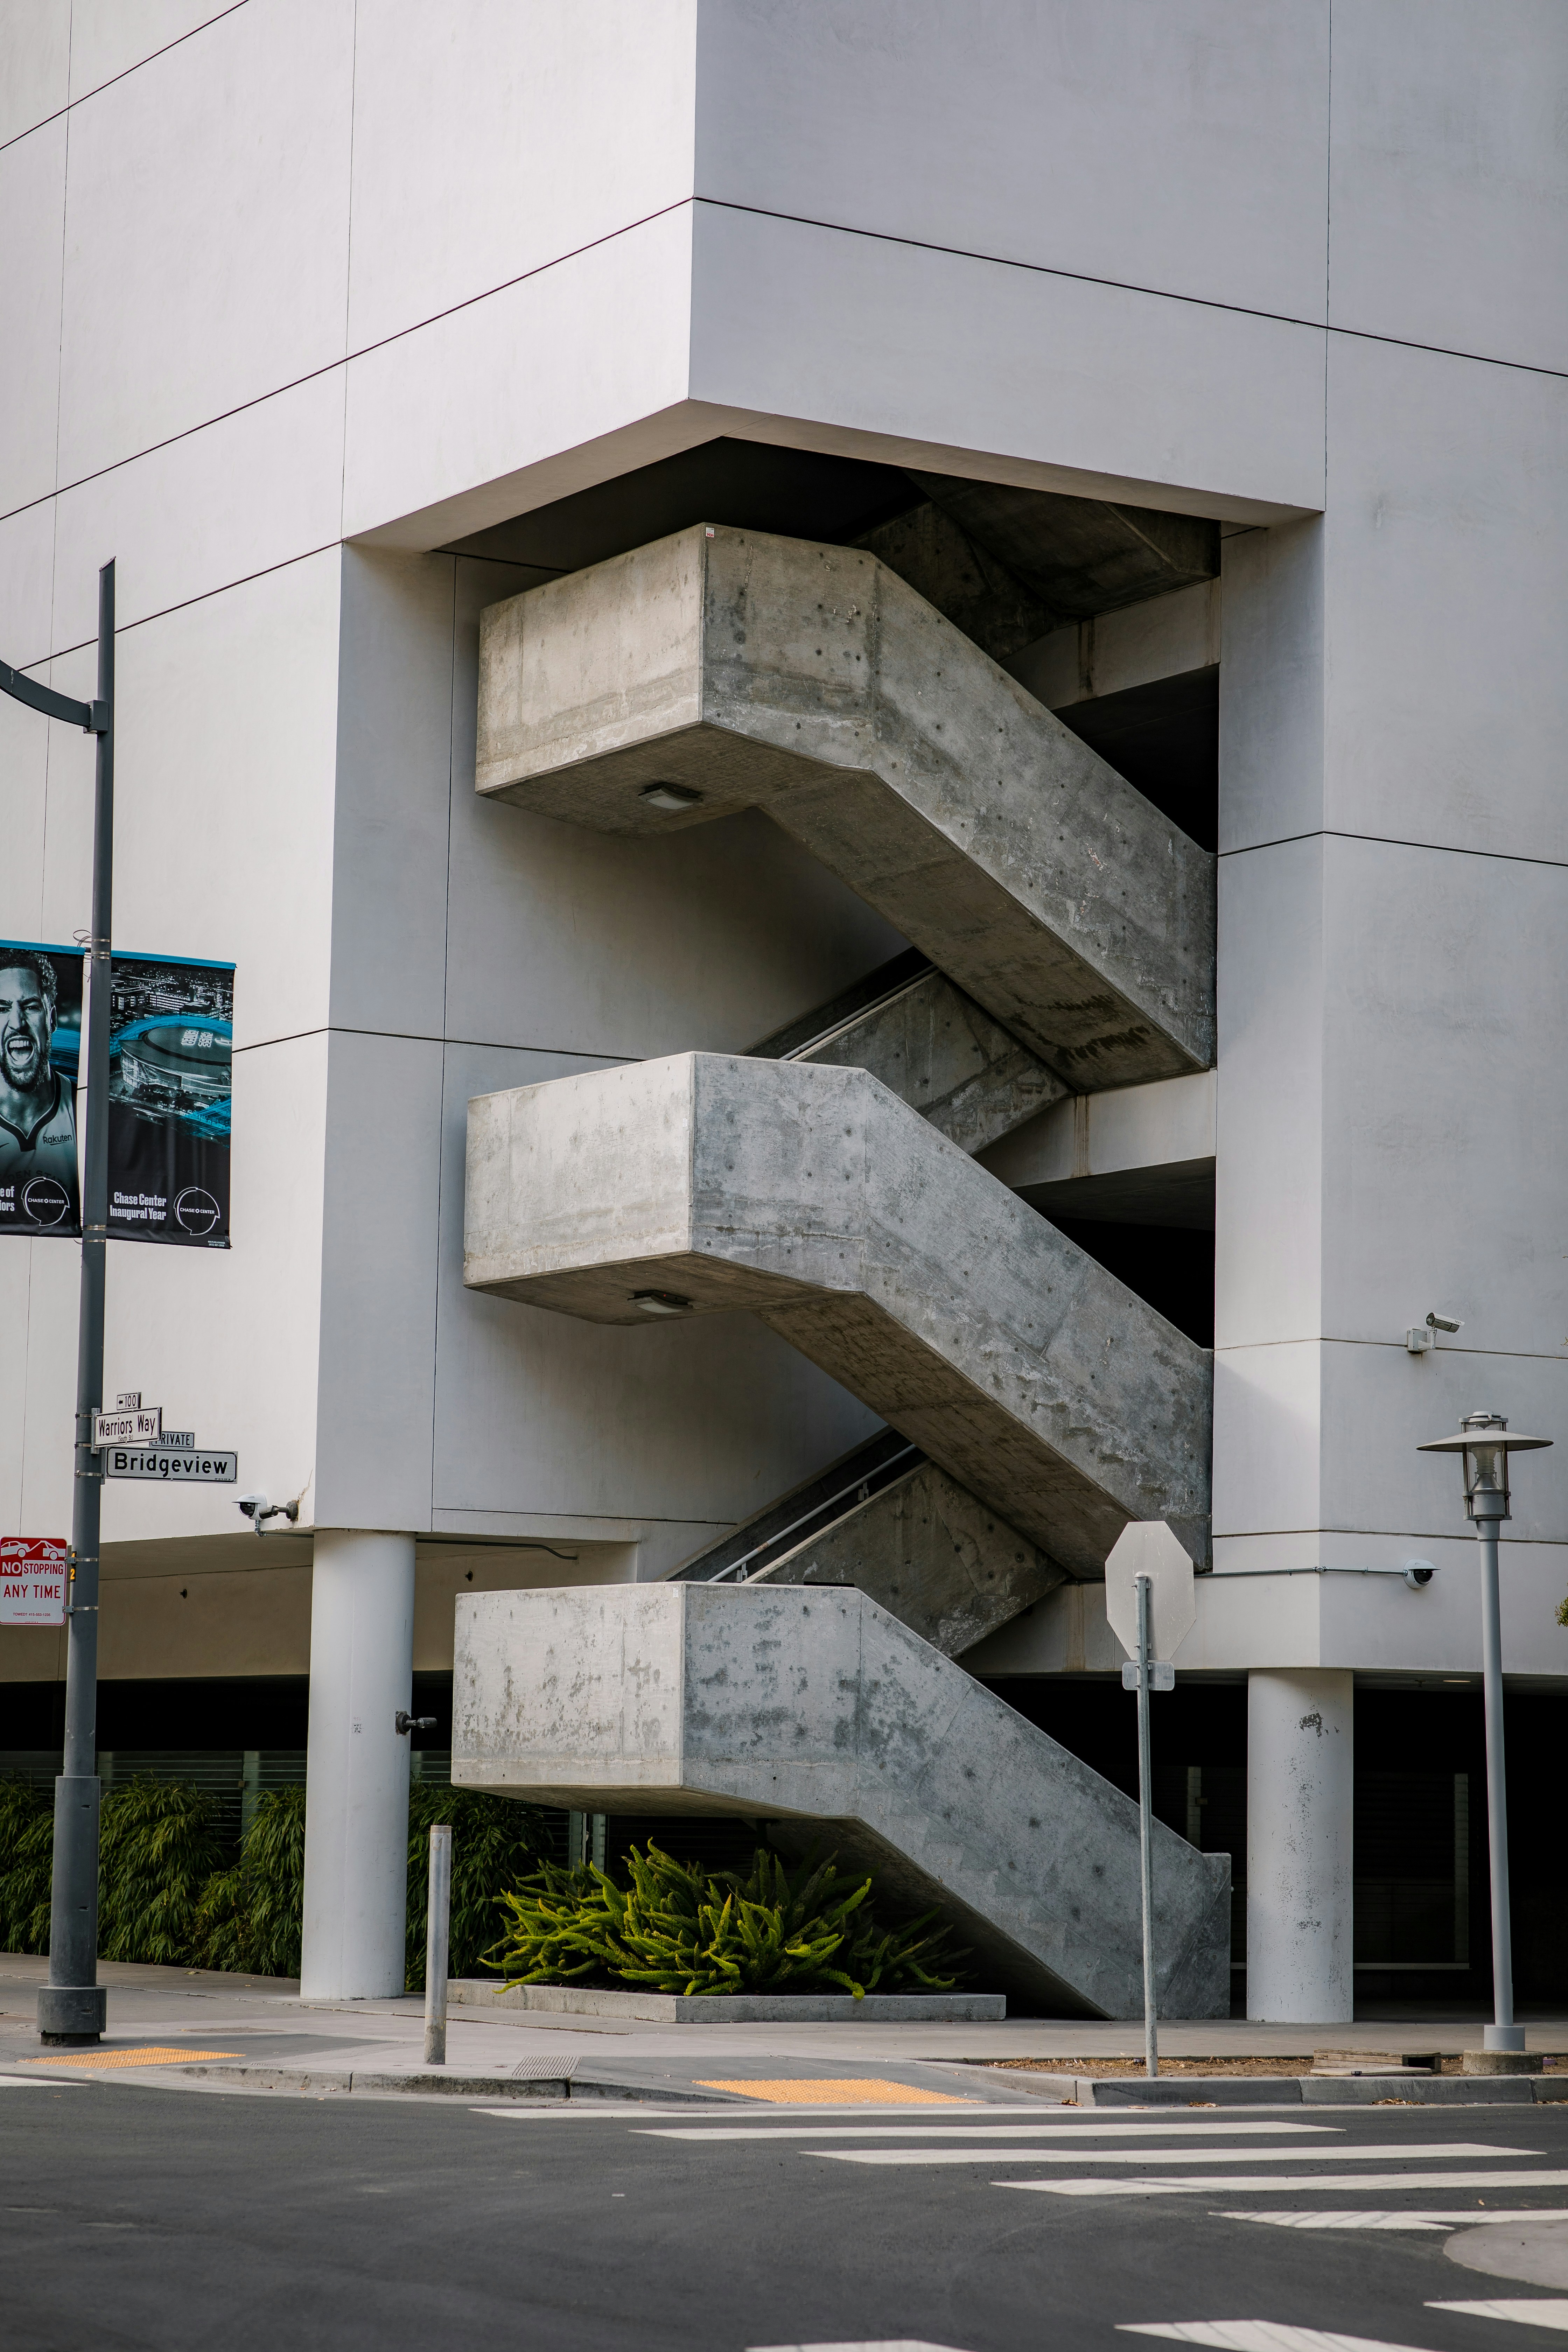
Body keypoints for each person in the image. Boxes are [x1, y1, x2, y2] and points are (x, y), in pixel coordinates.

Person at [0, 952, 79, 1230]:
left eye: (31, 1007)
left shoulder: (83, 1113)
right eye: (2, 1008)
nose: (17, 1022)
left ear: (52, 1020)